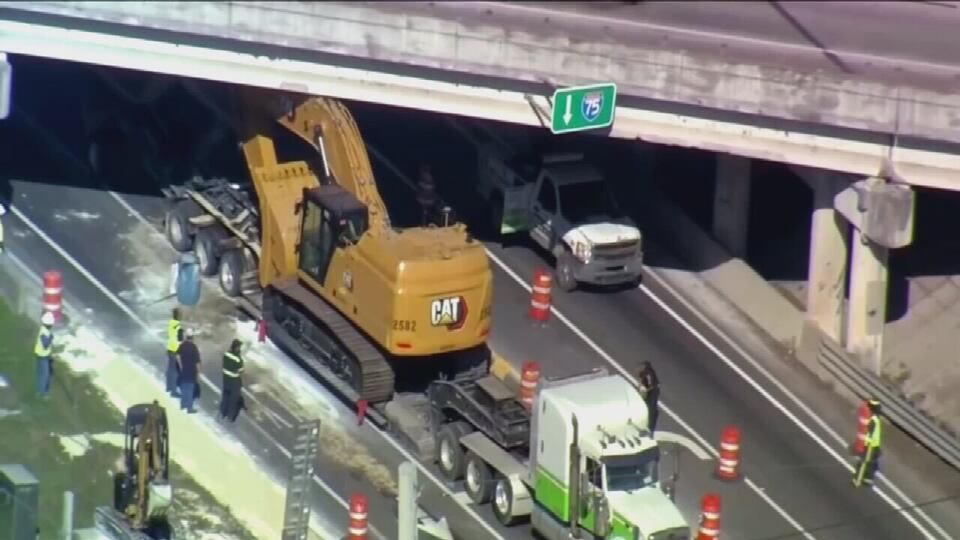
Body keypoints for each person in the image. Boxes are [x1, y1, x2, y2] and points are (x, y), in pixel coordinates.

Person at [853, 398, 883, 487]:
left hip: (870, 445)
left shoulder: (873, 420)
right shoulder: (877, 418)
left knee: (863, 462)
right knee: (871, 462)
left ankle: (857, 480)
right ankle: (868, 479)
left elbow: (870, 434)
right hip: (875, 445)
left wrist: (864, 444)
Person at [219, 339, 245, 422]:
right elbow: (241, 370)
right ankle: (230, 416)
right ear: (237, 347)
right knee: (233, 399)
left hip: (225, 378)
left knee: (225, 396)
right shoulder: (238, 359)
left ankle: (223, 412)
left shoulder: (226, 354)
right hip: (234, 381)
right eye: (239, 347)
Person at [176, 328, 201, 414]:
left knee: (184, 388)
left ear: (186, 337)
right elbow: (197, 362)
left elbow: (177, 356)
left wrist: (181, 365)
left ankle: (183, 404)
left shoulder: (182, 345)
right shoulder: (194, 347)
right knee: (190, 389)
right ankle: (189, 408)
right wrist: (198, 373)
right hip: (191, 371)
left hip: (184, 371)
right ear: (192, 337)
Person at [34, 312, 55, 398]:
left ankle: (39, 391)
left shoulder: (43, 329)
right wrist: (51, 337)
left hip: (40, 355)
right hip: (43, 356)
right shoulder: (45, 332)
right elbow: (45, 344)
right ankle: (43, 393)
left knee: (40, 374)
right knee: (45, 375)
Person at [165, 308, 184, 398]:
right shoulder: (179, 328)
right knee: (176, 372)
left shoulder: (171, 323)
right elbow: (180, 341)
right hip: (175, 350)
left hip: (169, 347)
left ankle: (168, 387)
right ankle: (173, 391)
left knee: (170, 370)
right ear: (179, 316)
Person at [638, 361, 660, 434]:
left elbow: (652, 386)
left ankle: (650, 428)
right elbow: (640, 381)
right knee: (645, 405)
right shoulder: (642, 373)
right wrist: (640, 387)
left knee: (651, 408)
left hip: (653, 391)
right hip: (648, 390)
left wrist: (645, 391)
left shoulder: (648, 374)